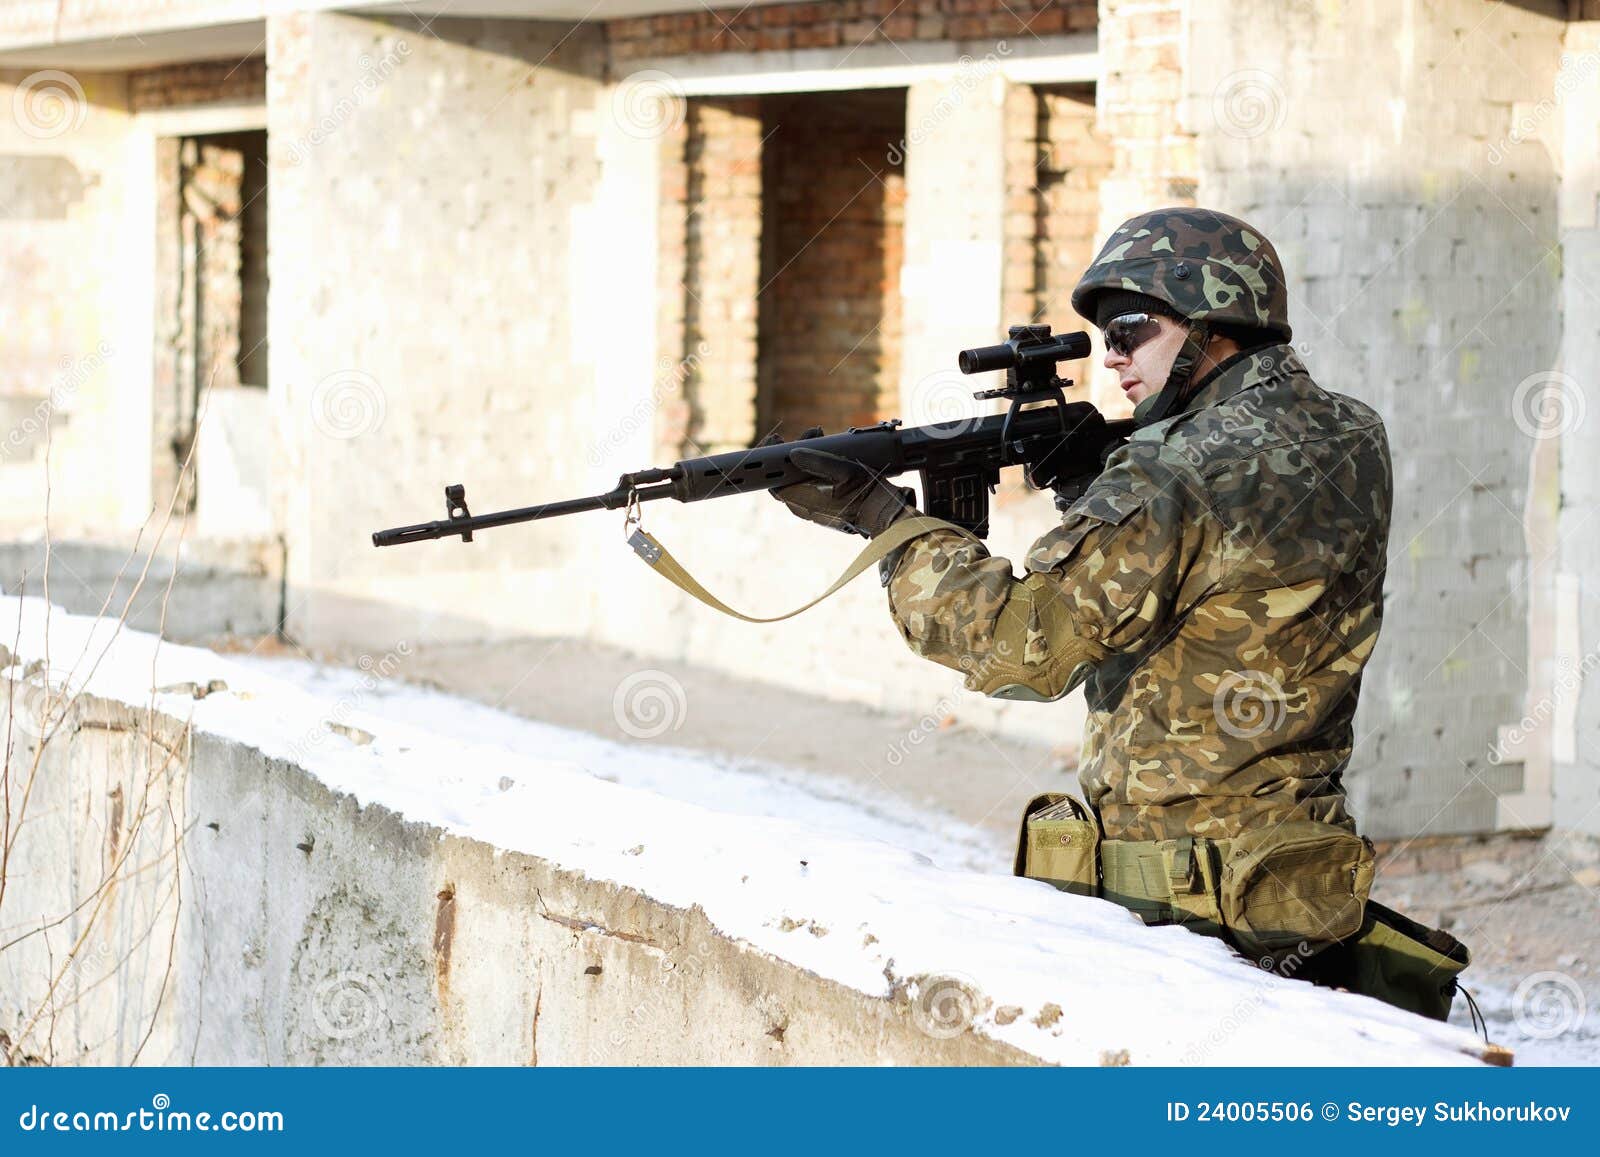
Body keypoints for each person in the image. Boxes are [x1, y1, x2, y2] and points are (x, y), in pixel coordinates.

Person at [769, 207, 1469, 1020]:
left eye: (1132, 331)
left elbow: (1022, 647)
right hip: (1297, 881)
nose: (1112, 357)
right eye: (1104, 336)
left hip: (1180, 903)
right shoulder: (1352, 433)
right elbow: (1227, 568)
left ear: (1215, 326)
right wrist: (1091, 483)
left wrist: (886, 522)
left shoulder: (1168, 469)